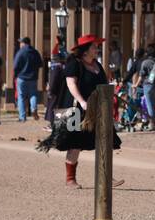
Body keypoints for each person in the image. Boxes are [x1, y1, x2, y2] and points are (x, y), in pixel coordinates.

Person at [53, 34, 115, 188]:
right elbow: (71, 84)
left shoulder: (97, 65)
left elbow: (103, 84)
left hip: (97, 108)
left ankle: (106, 177)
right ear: (85, 50)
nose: (97, 49)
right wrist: (82, 101)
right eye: (94, 46)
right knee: (75, 143)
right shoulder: (74, 63)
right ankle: (70, 179)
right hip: (75, 108)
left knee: (104, 140)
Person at [135, 44, 155, 131]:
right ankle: (153, 122)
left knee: (149, 105)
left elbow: (141, 75)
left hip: (148, 85)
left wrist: (136, 84)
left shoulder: (145, 62)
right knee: (153, 104)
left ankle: (152, 124)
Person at [13, 36, 42, 123]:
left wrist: (15, 74)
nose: (20, 44)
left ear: (23, 43)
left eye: (20, 43)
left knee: (21, 96)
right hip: (33, 78)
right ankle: (33, 109)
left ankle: (22, 117)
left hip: (22, 78)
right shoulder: (35, 52)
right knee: (33, 95)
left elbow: (15, 65)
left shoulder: (20, 52)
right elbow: (40, 64)